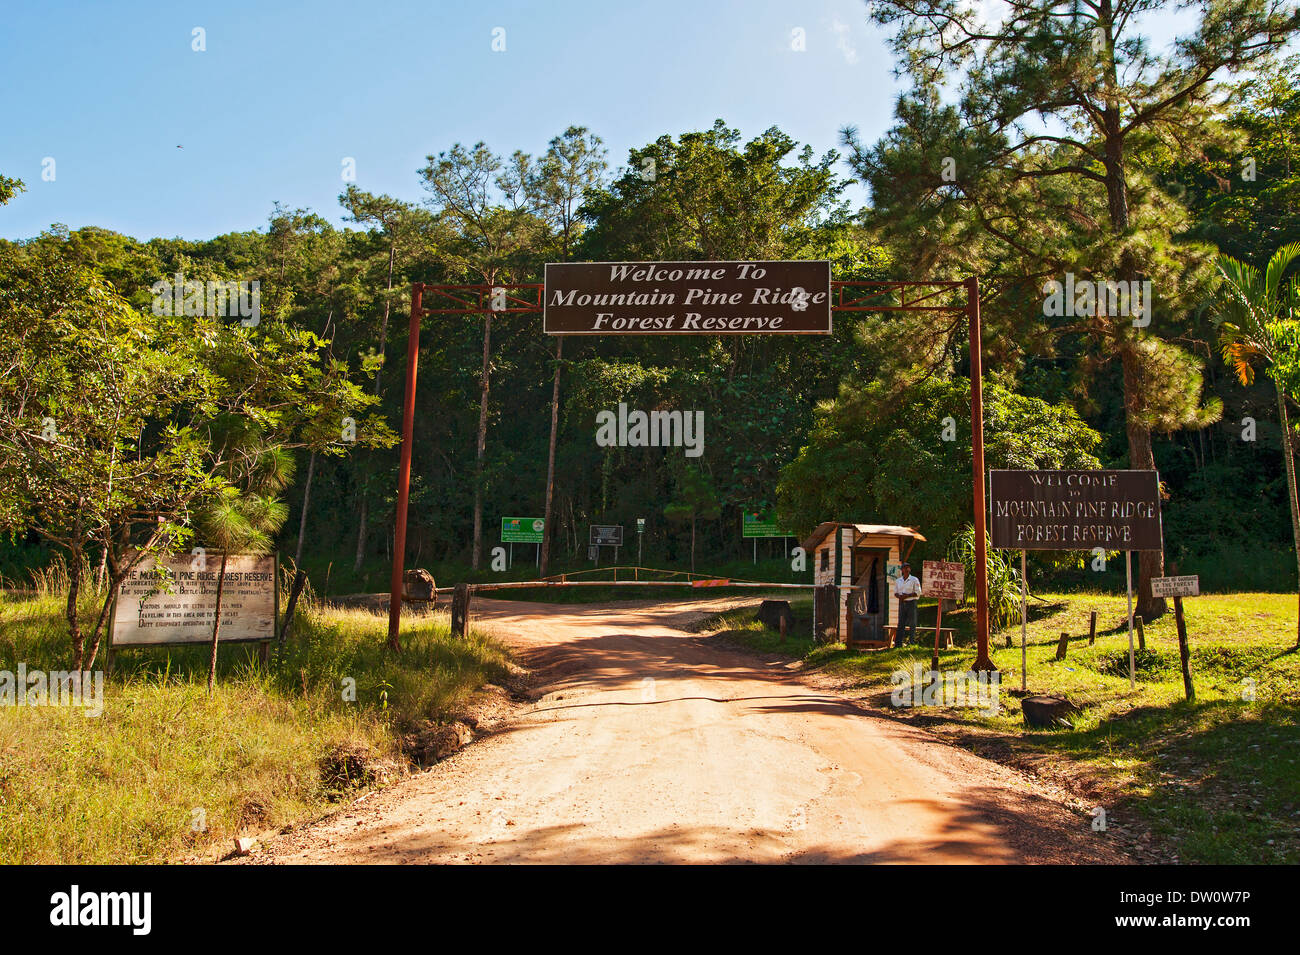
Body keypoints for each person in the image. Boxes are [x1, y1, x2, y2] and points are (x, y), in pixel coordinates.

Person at [894, 562, 921, 646]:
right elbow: (895, 592)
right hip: (902, 602)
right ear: (902, 570)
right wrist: (900, 596)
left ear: (910, 569)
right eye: (905, 568)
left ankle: (912, 642)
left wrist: (908, 595)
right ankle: (898, 643)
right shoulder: (898, 581)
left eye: (908, 568)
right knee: (901, 623)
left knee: (912, 623)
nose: (906, 569)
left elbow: (918, 593)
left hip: (911, 602)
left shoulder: (914, 579)